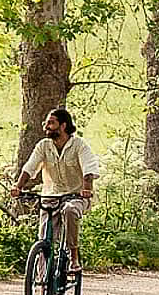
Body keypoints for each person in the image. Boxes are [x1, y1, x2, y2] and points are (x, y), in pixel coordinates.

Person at [10, 107, 101, 273]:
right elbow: (30, 168)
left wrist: (87, 189)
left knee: (70, 210)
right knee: (44, 238)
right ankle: (41, 283)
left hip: (75, 196)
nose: (46, 127)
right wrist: (18, 186)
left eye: (51, 123)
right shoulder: (43, 146)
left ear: (63, 126)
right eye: (46, 123)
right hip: (50, 197)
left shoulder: (79, 145)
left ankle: (73, 257)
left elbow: (89, 169)